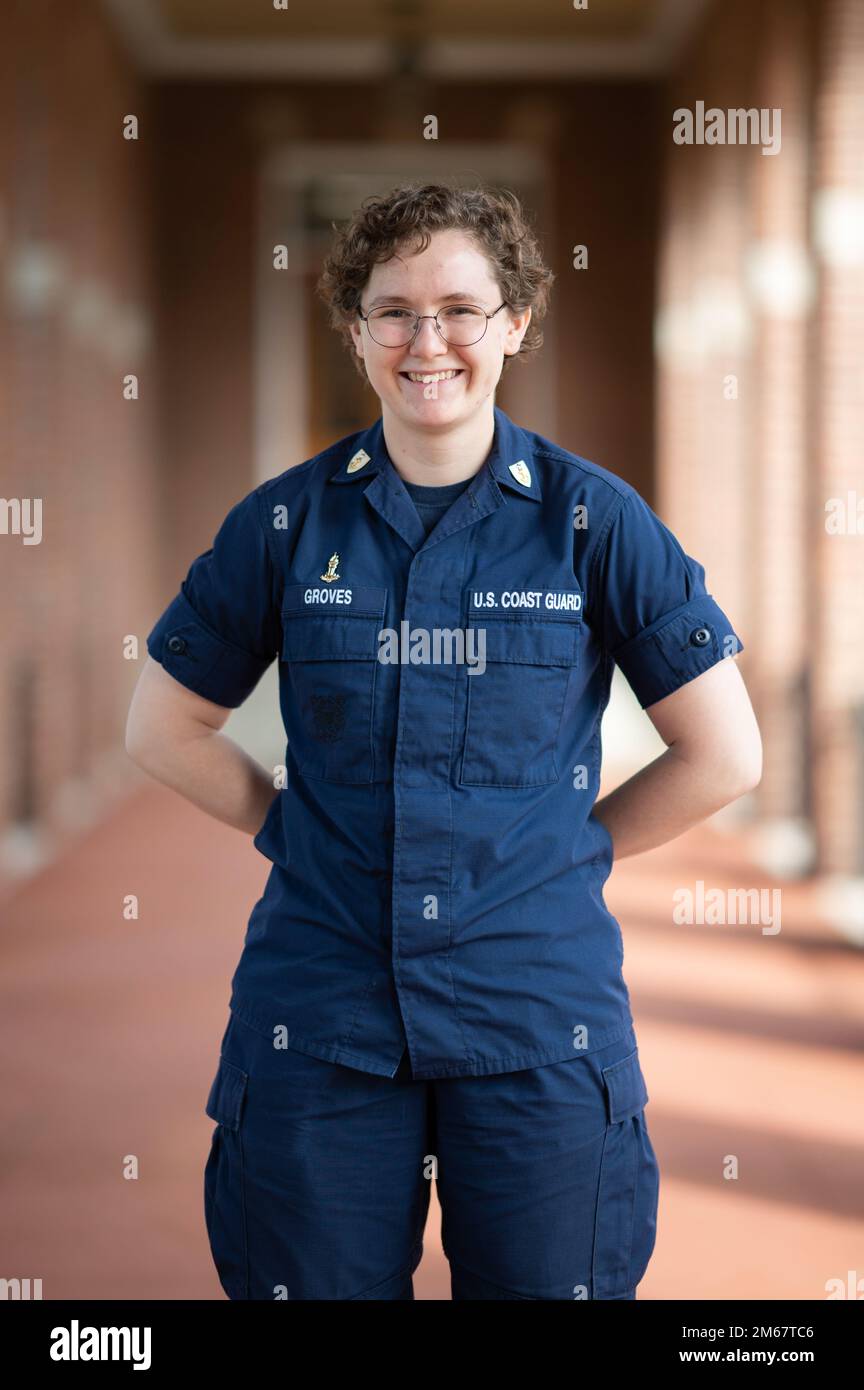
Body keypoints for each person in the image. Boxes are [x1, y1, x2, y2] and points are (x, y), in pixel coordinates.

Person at [125, 182, 762, 1301]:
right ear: (355, 331)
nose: (430, 343)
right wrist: (297, 831)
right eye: (395, 311)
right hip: (320, 1018)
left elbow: (724, 752)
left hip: (535, 1019)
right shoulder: (283, 522)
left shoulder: (594, 522)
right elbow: (162, 726)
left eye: (462, 309)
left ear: (514, 323)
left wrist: (570, 851)